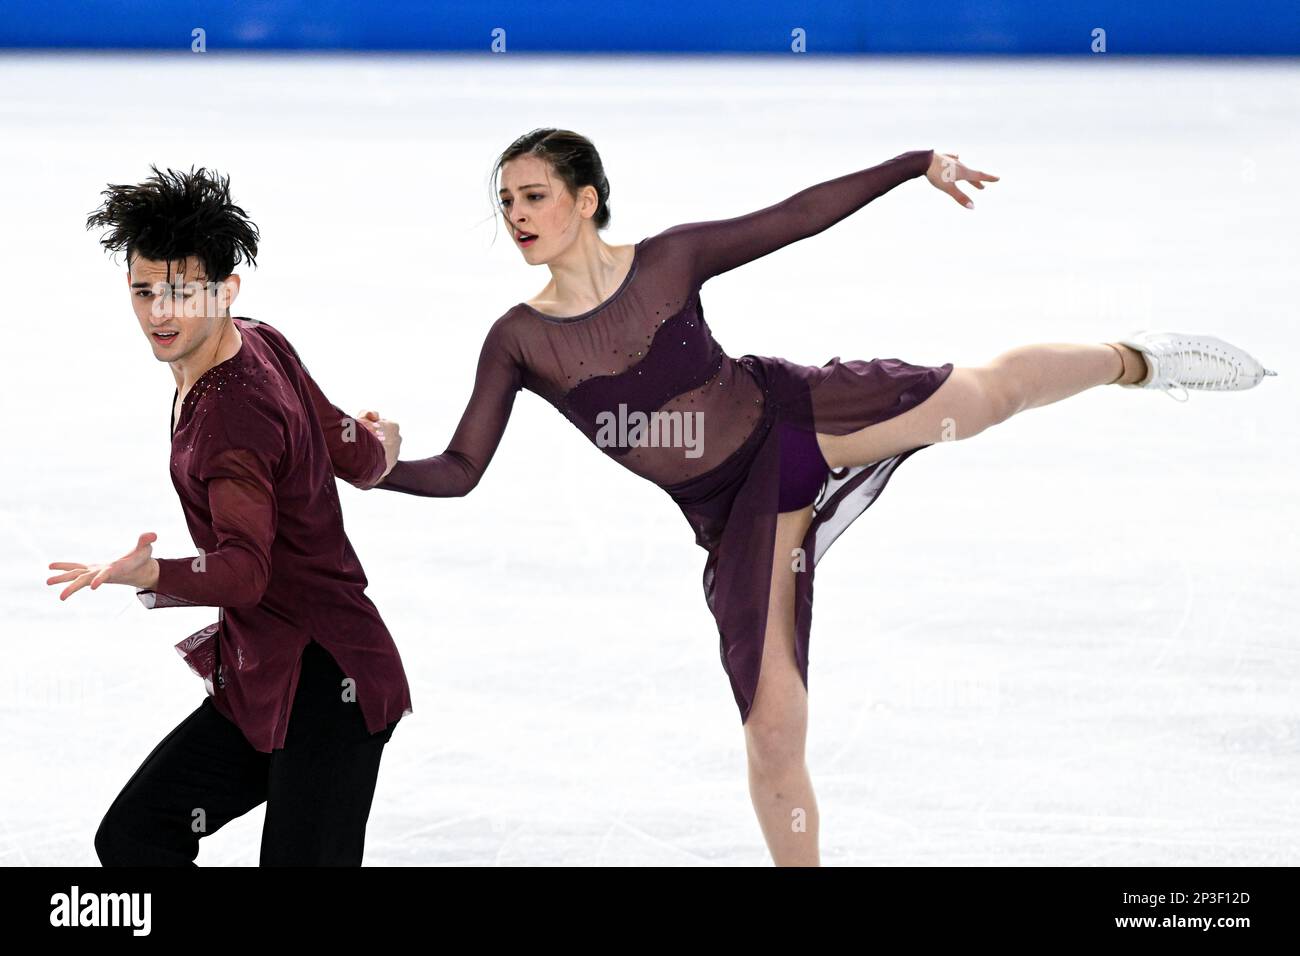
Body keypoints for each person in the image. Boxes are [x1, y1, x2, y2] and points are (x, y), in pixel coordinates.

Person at [361, 129, 1274, 866]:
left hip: (797, 417)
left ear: (585, 199)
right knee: (773, 729)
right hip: (742, 514)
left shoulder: (671, 261)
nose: (517, 215)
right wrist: (377, 466)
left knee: (983, 400)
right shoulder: (518, 340)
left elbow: (796, 217)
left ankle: (1138, 360)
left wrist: (912, 164)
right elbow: (462, 469)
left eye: (533, 196)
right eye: (507, 203)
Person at [49, 166, 412, 866]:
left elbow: (245, 572)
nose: (160, 312)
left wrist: (153, 571)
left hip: (332, 683)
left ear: (225, 290)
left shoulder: (230, 416)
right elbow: (348, 446)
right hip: (265, 674)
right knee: (137, 834)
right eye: (144, 290)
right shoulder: (259, 338)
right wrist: (379, 447)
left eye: (182, 292)